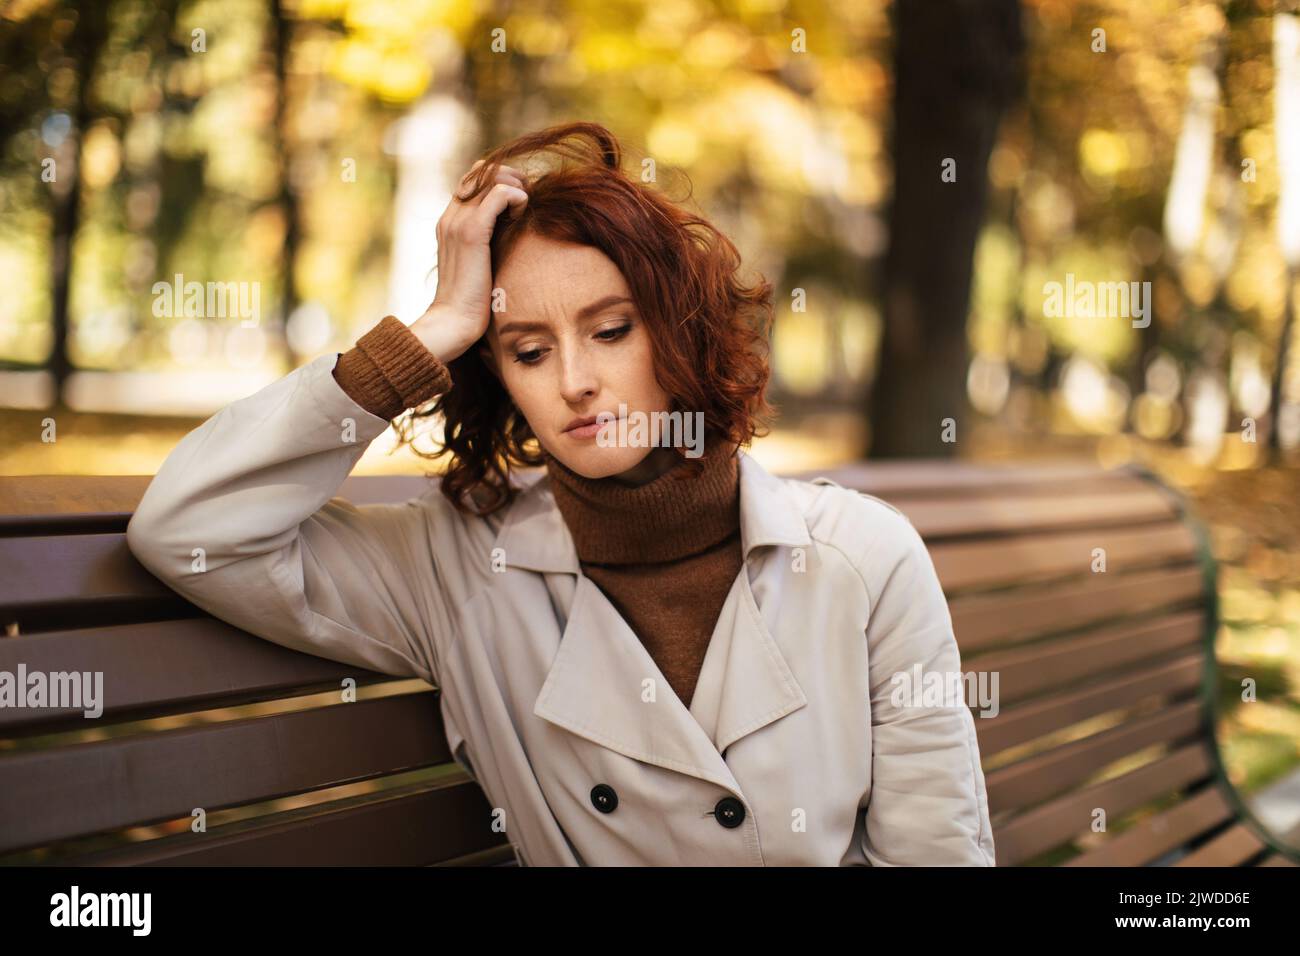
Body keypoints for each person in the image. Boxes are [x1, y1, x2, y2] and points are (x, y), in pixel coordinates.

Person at [126, 121, 995, 867]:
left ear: (681, 327)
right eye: (529, 351)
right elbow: (190, 529)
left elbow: (936, 849)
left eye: (611, 330)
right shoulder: (457, 563)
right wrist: (428, 335)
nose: (576, 381)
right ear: (497, 373)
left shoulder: (863, 558)